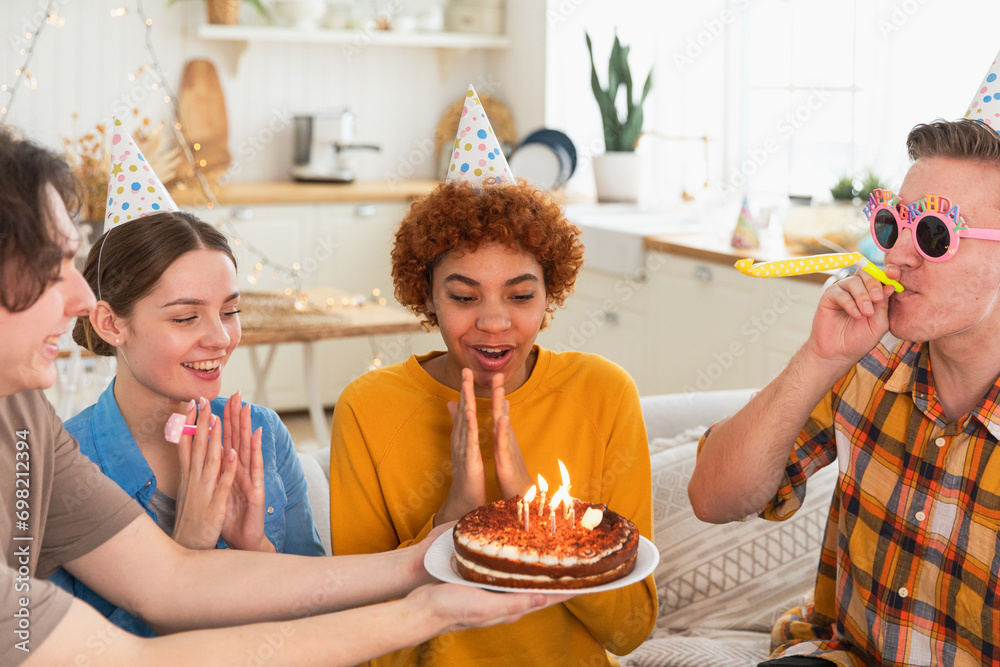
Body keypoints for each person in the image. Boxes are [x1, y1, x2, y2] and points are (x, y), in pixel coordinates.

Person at [0, 128, 569, 666]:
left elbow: (170, 584)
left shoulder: (27, 423)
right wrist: (195, 541)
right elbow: (119, 653)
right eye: (53, 271)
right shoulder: (53, 446)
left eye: (230, 311)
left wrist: (421, 568)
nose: (78, 293)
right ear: (113, 324)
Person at [689, 118, 1000, 667]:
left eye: (933, 233)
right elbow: (713, 498)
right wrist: (820, 359)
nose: (898, 255)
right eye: (891, 223)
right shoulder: (868, 362)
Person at [328, 179, 658, 666]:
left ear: (550, 294)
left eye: (520, 295)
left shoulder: (604, 393)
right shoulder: (368, 407)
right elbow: (359, 641)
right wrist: (452, 517)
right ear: (428, 295)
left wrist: (540, 516)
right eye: (464, 297)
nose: (495, 322)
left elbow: (629, 630)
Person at [44, 210, 325, 637]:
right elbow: (67, 653)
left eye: (230, 311)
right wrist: (188, 547)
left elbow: (321, 620)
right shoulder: (62, 471)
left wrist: (256, 551)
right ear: (110, 323)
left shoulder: (261, 435)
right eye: (184, 317)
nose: (220, 337)